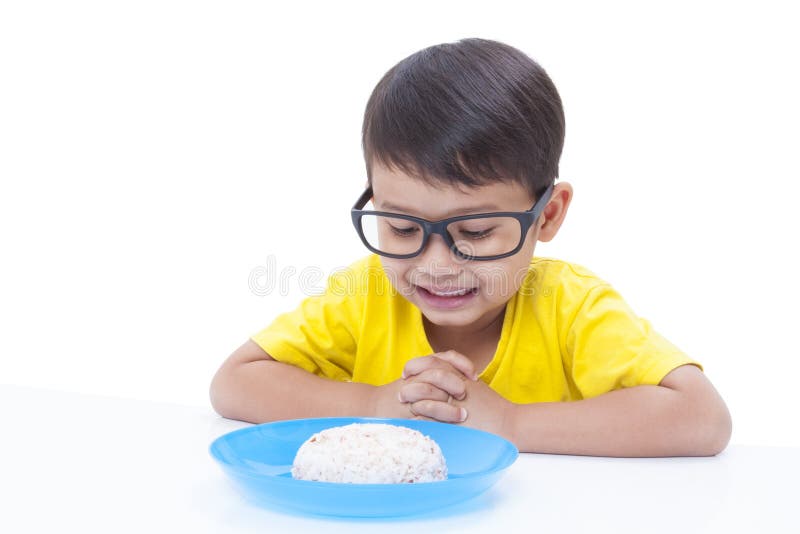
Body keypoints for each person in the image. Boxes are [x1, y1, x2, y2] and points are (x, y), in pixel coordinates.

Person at [210, 38, 731, 456]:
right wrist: (371, 404)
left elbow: (703, 417)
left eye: (476, 232)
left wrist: (511, 422)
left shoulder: (572, 306)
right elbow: (234, 382)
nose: (436, 265)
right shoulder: (364, 294)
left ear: (547, 215)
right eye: (402, 228)